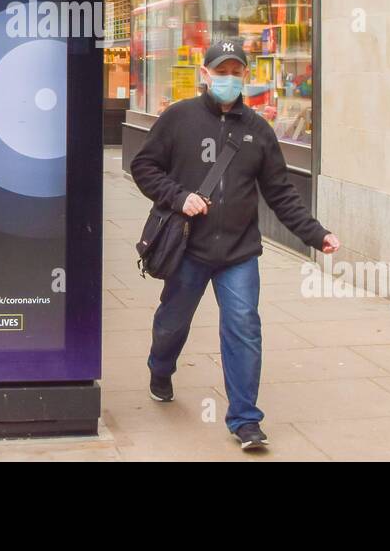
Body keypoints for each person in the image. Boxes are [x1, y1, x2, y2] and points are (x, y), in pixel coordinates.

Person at [130, 37, 341, 452]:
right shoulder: (178, 118)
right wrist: (178, 196)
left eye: (235, 72)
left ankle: (245, 420)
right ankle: (161, 367)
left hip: (239, 253)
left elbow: (280, 193)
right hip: (188, 248)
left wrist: (316, 234)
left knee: (244, 328)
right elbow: (144, 165)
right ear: (204, 75)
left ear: (245, 75)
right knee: (173, 321)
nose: (227, 78)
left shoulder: (257, 131)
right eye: (220, 71)